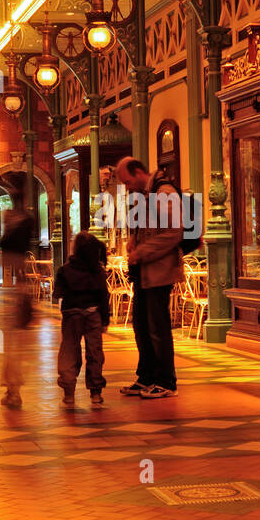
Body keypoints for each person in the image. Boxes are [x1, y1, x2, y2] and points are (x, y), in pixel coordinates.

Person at [115, 156, 183, 399]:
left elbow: (174, 233)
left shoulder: (163, 191)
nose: (126, 186)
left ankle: (166, 382)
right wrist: (134, 240)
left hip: (159, 272)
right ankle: (146, 377)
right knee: (141, 325)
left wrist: (141, 251)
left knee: (158, 328)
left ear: (138, 172)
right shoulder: (145, 195)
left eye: (127, 181)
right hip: (144, 273)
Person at [54, 231, 111, 408]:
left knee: (69, 351)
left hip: (72, 315)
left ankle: (69, 392)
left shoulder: (65, 270)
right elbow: (104, 296)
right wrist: (105, 320)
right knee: (94, 353)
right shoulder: (97, 270)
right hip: (93, 315)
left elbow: (57, 294)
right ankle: (95, 393)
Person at [0, 204, 37, 408]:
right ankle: (12, 389)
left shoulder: (17, 269)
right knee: (12, 349)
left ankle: (14, 391)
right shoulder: (18, 269)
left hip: (16, 309)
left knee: (13, 349)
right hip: (16, 308)